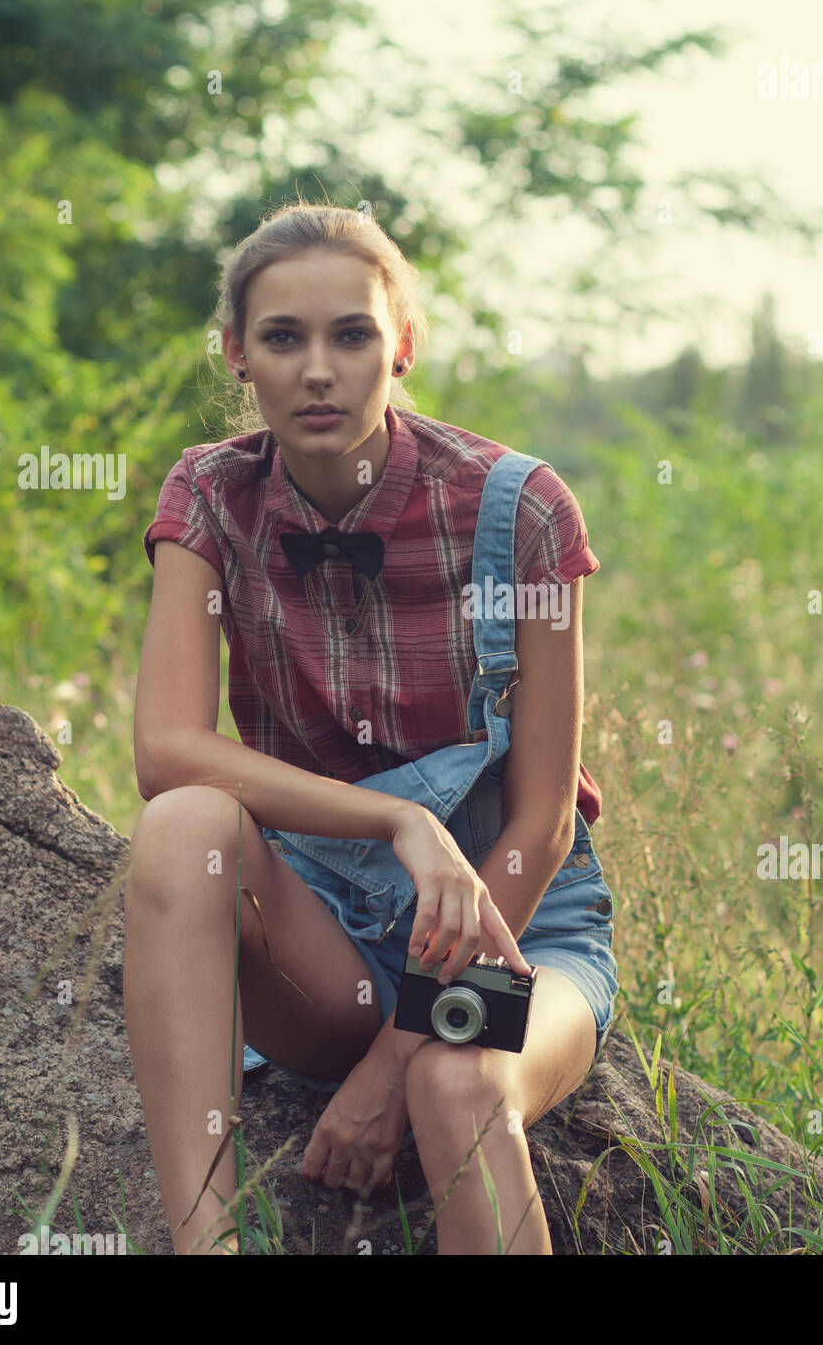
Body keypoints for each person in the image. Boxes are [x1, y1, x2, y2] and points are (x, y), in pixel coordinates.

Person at [124, 199, 618, 1256]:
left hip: (517, 936)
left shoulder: (521, 509)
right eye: (282, 338)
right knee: (181, 826)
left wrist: (395, 1057)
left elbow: (542, 822)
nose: (317, 369)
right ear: (237, 358)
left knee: (453, 1076)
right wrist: (399, 824)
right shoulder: (211, 495)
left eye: (351, 334)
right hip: (328, 941)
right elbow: (165, 752)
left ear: (400, 346)